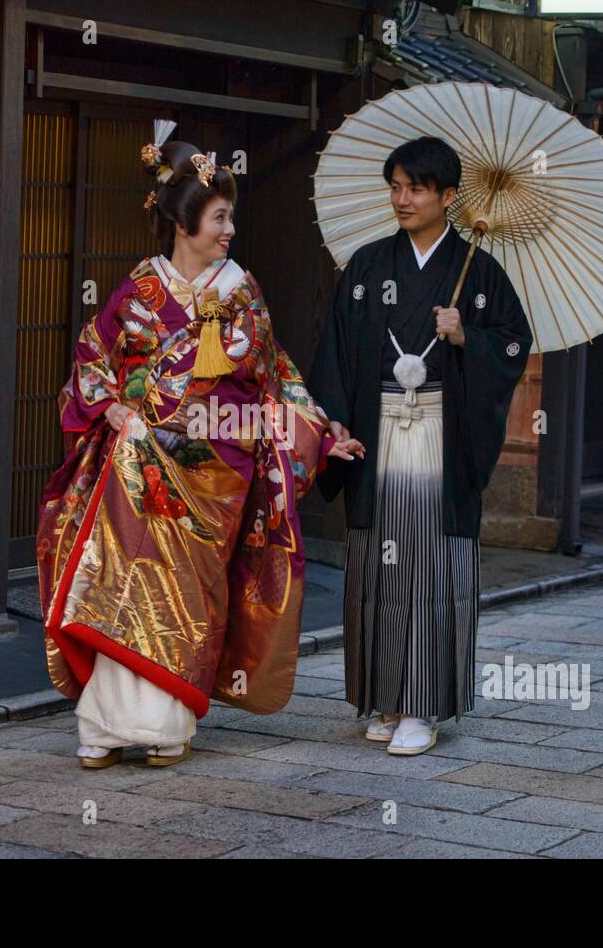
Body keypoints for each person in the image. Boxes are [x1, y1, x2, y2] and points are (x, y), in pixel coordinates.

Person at [38, 120, 364, 769]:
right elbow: (93, 363)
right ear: (184, 223)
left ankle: (165, 723)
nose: (229, 230)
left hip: (219, 466)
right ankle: (103, 724)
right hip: (141, 457)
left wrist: (322, 433)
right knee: (124, 578)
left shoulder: (240, 290)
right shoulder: (141, 289)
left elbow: (275, 376)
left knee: (187, 596)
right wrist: (119, 412)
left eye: (230, 218)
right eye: (219, 217)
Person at [308, 135, 532, 756]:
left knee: (430, 569)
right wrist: (337, 423)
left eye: (416, 189)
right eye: (396, 187)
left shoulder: (478, 271)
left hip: (439, 436)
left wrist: (467, 338)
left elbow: (513, 342)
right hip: (378, 434)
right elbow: (334, 351)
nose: (402, 199)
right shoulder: (367, 266)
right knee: (376, 569)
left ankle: (423, 705)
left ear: (449, 198)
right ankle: (382, 697)